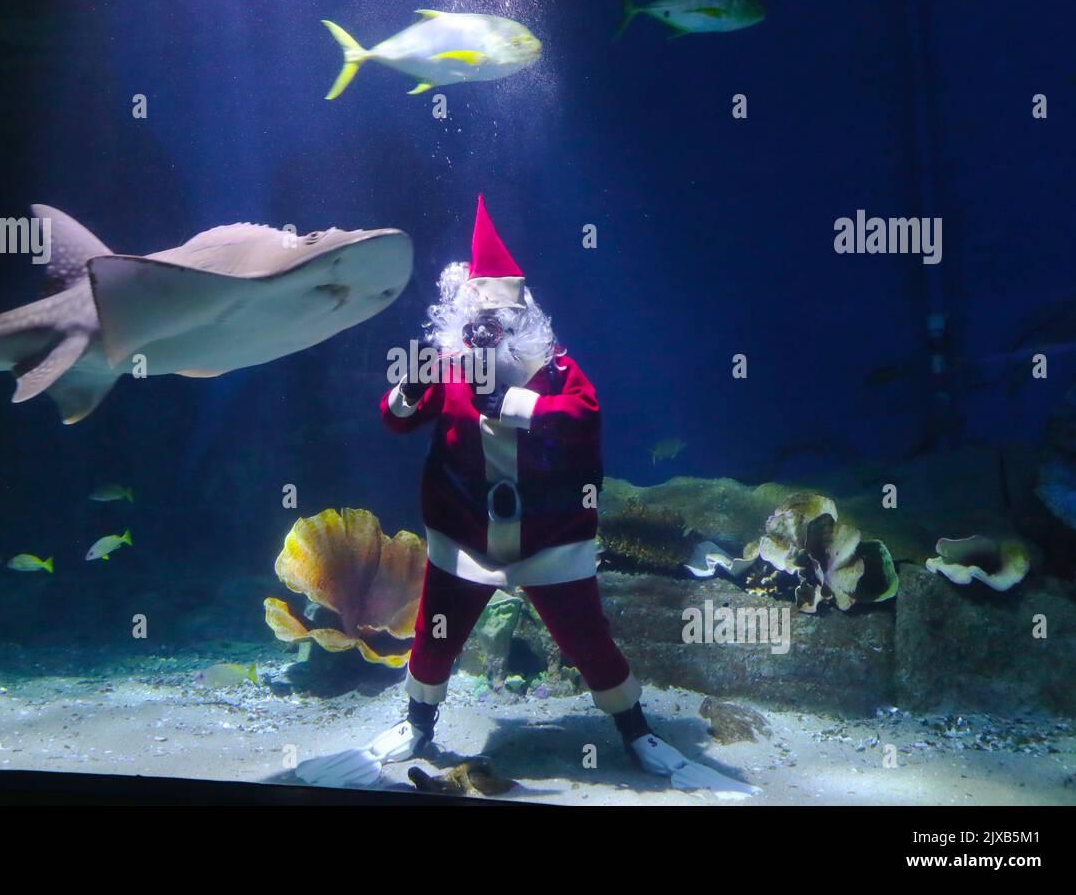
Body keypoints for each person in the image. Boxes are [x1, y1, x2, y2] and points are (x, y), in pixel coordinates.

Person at [295, 195, 756, 796]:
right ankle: (416, 723)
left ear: (522, 325)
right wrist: (410, 385)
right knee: (437, 634)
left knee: (586, 637)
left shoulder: (558, 371)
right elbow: (395, 418)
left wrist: (517, 406)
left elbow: (585, 416)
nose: (487, 336)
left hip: (550, 538)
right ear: (462, 326)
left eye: (499, 326)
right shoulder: (449, 370)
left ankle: (638, 732)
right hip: (464, 538)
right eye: (477, 327)